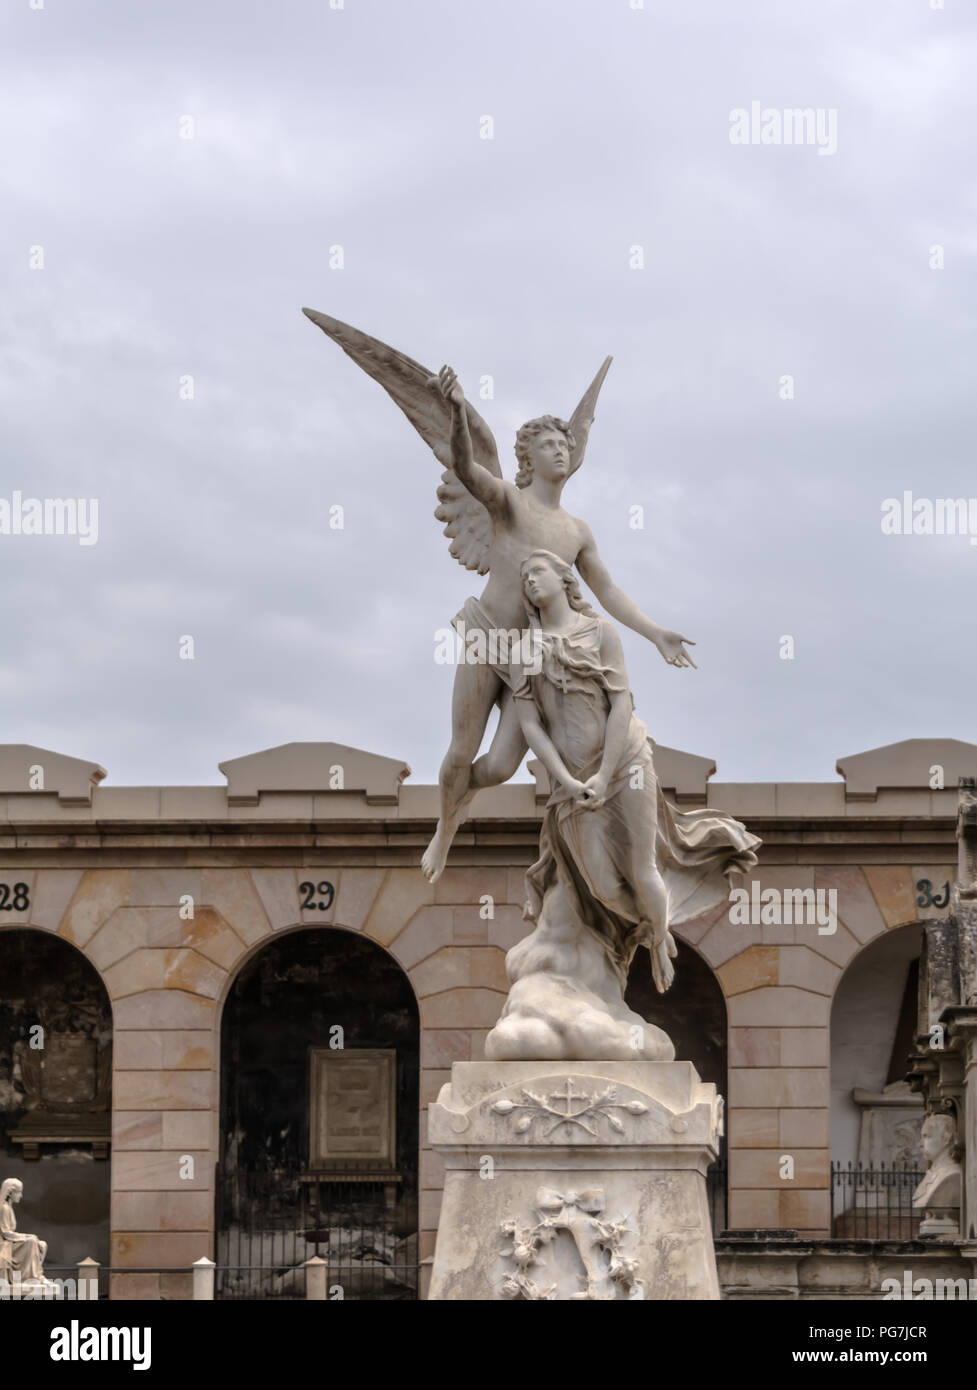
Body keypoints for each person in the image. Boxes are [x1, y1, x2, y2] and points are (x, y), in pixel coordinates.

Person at [0, 1178, 49, 1285]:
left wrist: (27, 1236)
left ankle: (36, 1275)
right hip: (4, 1244)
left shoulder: (8, 1207)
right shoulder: (4, 1208)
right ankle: (32, 1277)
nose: (21, 1196)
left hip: (10, 1241)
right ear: (10, 1193)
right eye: (18, 1192)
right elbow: (6, 1233)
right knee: (31, 1241)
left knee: (42, 1244)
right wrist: (26, 1237)